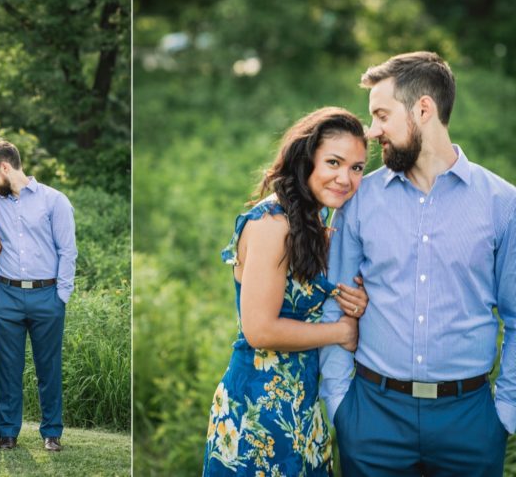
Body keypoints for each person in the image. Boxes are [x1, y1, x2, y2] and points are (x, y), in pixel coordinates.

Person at [320, 51, 516, 476]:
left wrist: (506, 412)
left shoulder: (502, 204)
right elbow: (333, 301)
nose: (373, 132)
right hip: (373, 415)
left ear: (423, 109)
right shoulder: (358, 201)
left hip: (471, 421)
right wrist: (339, 404)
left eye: (381, 115)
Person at [203, 108, 370, 476]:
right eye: (334, 162)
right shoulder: (271, 223)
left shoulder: (313, 220)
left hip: (302, 410)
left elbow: (307, 299)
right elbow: (260, 329)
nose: (346, 178)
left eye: (357, 167)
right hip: (256, 412)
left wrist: (352, 302)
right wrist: (341, 332)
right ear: (305, 158)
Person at [0, 141, 77, 452]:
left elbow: (67, 251)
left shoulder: (54, 201)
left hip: (47, 296)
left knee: (48, 368)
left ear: (5, 167)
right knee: (7, 368)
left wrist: (61, 295)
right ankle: (7, 432)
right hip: (5, 296)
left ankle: (52, 432)